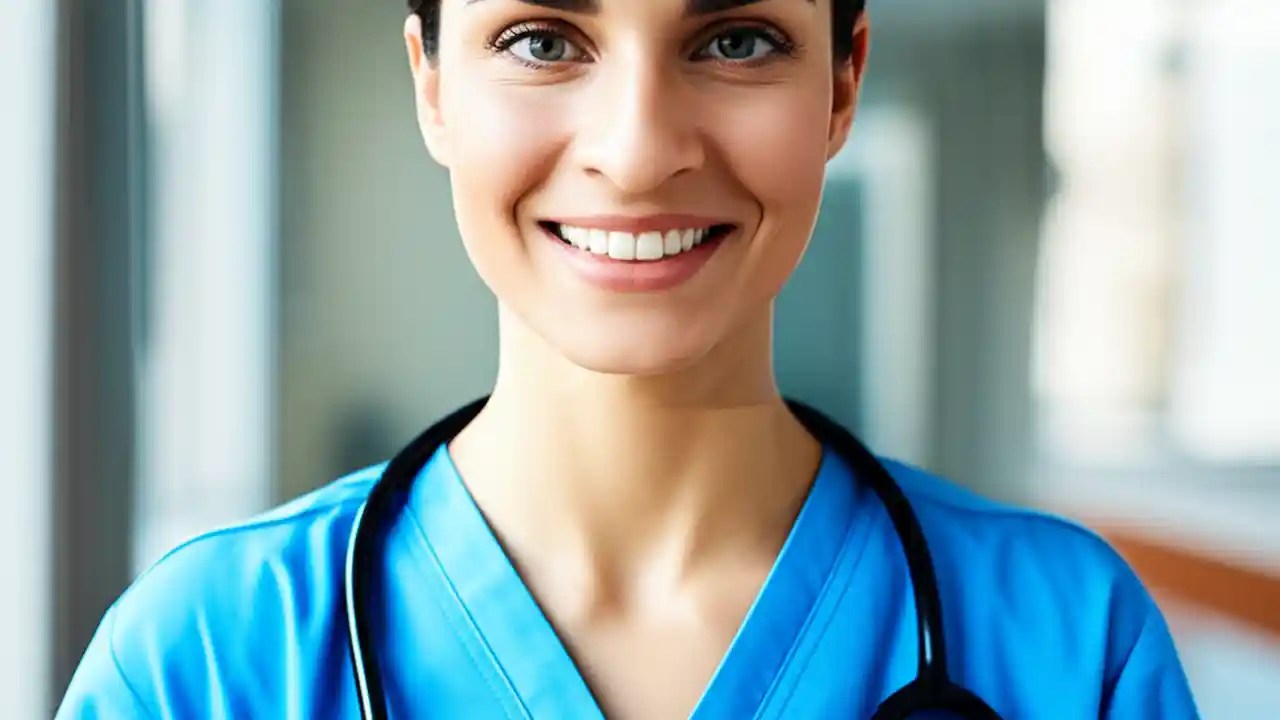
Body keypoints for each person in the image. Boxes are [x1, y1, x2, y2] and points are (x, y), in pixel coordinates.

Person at [58, 0, 1200, 717]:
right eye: (543, 41)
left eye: (735, 40)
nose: (638, 150)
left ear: (842, 81)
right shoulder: (204, 660)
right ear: (434, 85)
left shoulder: (1064, 648)